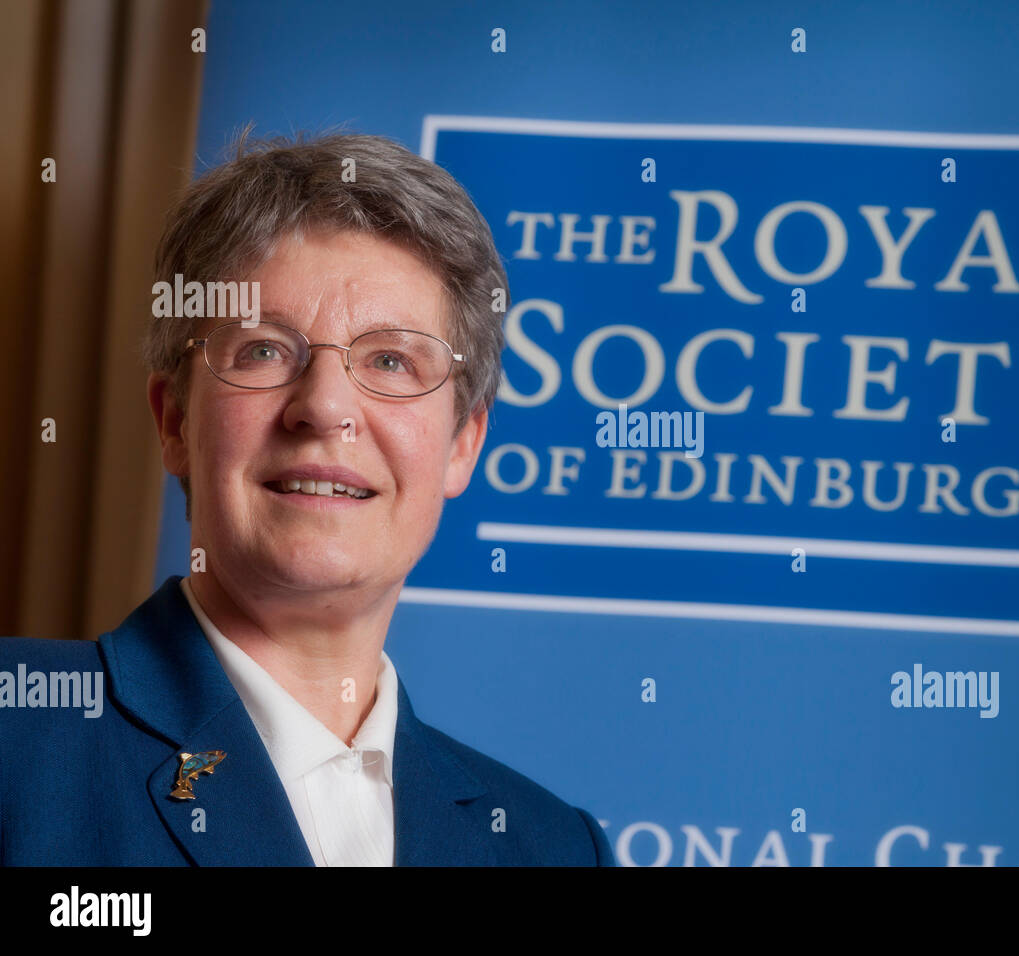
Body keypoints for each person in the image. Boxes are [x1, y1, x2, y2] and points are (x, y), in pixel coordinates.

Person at [0, 131, 614, 866]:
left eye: (392, 359)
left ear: (462, 444)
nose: (324, 408)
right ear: (175, 423)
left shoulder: (552, 849)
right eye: (263, 350)